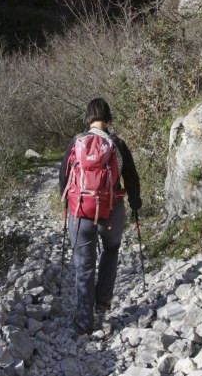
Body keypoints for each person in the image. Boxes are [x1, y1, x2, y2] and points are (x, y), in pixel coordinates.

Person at [59, 97, 142, 334]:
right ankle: (103, 301)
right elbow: (132, 177)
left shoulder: (76, 142)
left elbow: (63, 176)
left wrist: (67, 201)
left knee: (83, 265)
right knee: (111, 249)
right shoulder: (117, 143)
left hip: (81, 211)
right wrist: (135, 203)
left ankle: (84, 323)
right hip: (111, 209)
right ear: (108, 117)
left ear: (88, 117)